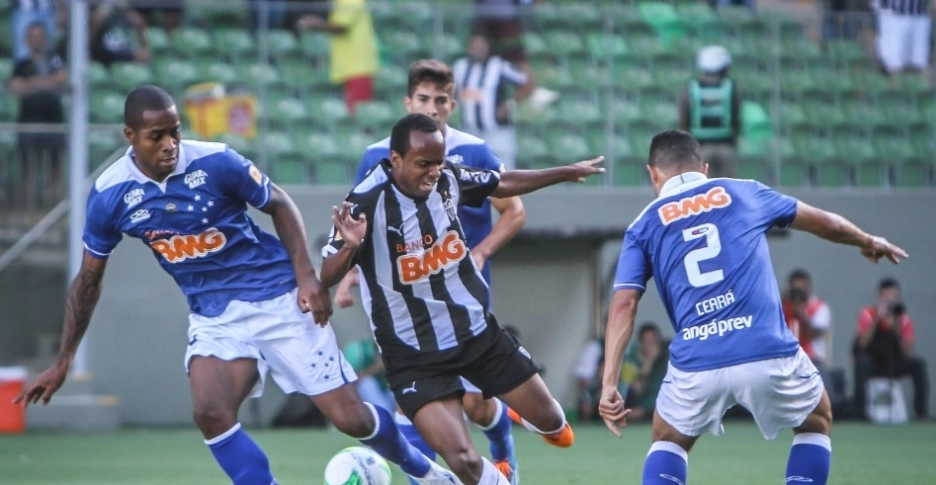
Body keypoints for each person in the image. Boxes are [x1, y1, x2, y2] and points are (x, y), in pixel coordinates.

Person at [13, 85, 458, 485]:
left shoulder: (215, 161)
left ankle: (428, 473)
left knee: (352, 419)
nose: (170, 144)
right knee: (210, 413)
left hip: (280, 298)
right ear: (130, 136)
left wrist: (307, 278)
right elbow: (88, 279)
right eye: (157, 136)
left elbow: (280, 204)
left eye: (175, 132)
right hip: (214, 316)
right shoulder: (110, 194)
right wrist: (64, 358)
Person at [599, 130, 908, 485]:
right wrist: (868, 240)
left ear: (653, 173)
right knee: (816, 421)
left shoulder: (642, 226)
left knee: (668, 440)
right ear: (705, 168)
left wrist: (609, 383)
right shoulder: (743, 190)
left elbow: (624, 303)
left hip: (697, 360)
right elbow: (827, 224)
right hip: (765, 349)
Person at [321, 112, 602, 484]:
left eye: (438, 161)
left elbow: (502, 183)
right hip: (413, 354)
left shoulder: (449, 176)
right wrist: (349, 249)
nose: (434, 171)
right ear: (395, 159)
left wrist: (564, 172)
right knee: (464, 460)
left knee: (553, 422)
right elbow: (325, 273)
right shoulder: (364, 203)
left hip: (475, 333)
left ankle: (513, 412)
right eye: (424, 163)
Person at [339, 58, 528, 484]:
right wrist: (350, 276)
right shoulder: (378, 156)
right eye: (423, 98)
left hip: (460, 296)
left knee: (477, 405)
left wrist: (480, 253)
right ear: (408, 102)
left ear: (453, 104)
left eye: (441, 99)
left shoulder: (474, 150)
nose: (433, 106)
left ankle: (502, 445)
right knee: (414, 403)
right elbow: (361, 226)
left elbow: (513, 211)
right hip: (402, 302)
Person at [7, 20, 67, 210]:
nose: (37, 41)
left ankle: (56, 209)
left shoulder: (55, 59)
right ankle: (27, 210)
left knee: (55, 170)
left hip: (54, 122)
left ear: (46, 39)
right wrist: (47, 83)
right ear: (26, 40)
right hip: (28, 122)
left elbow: (63, 79)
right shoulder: (21, 64)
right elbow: (16, 87)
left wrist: (30, 84)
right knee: (27, 170)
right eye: (33, 37)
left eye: (40, 37)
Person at [452, 34, 534, 170]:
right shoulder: (460, 67)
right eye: (474, 45)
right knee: (469, 174)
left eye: (481, 45)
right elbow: (451, 90)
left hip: (497, 132)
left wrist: (510, 104)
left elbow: (527, 83)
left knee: (504, 172)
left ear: (488, 47)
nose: (478, 48)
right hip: (469, 131)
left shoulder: (499, 66)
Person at [852, 277, 929, 420]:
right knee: (861, 363)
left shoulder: (904, 319)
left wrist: (895, 329)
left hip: (895, 363)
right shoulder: (867, 314)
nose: (889, 301)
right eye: (886, 297)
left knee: (918, 364)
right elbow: (862, 344)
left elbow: (907, 351)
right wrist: (877, 320)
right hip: (873, 363)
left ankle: (921, 411)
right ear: (879, 297)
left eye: (893, 297)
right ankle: (860, 412)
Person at [296, 0, 378, 114]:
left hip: (358, 66)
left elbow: (341, 27)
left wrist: (317, 24)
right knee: (352, 113)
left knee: (359, 115)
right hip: (349, 67)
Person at [678, 45, 741, 179]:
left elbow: (684, 118)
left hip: (699, 147)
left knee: (703, 187)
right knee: (728, 189)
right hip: (726, 146)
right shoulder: (731, 86)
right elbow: (737, 116)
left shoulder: (690, 88)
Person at [619, 323, 668, 421]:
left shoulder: (667, 359)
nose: (653, 345)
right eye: (649, 342)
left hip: (665, 409)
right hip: (642, 410)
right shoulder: (630, 362)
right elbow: (637, 390)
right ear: (641, 344)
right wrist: (649, 361)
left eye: (655, 341)